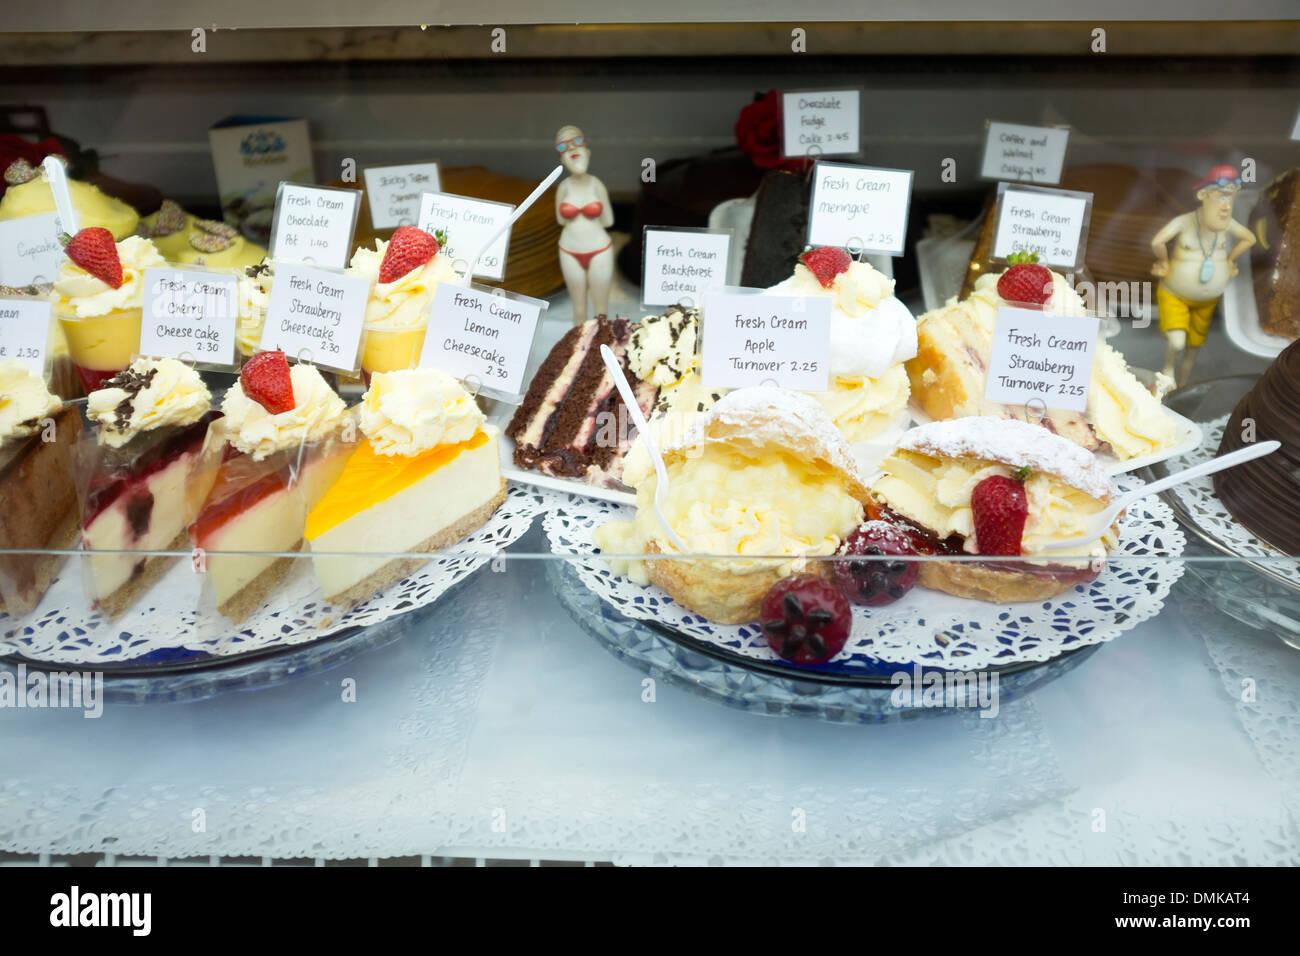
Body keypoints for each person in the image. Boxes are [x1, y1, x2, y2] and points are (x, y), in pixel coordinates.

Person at [1150, 164, 1255, 384]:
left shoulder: (1227, 225)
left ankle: (1184, 384)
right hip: (1175, 295)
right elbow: (1157, 241)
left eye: (1231, 198)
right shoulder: (1185, 222)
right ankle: (1168, 371)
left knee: (1193, 348)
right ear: (1203, 195)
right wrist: (1163, 261)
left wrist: (1229, 259)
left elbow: (1250, 238)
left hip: (1207, 301)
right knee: (1177, 342)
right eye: (1220, 197)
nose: (1226, 206)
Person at [554, 125, 614, 325]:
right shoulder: (563, 187)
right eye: (564, 147)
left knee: (600, 311)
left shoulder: (596, 185)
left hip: (600, 249)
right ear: (561, 158)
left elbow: (609, 220)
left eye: (577, 143)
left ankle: (601, 350)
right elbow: (560, 219)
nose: (572, 149)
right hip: (569, 250)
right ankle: (576, 351)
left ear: (587, 152)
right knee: (578, 310)